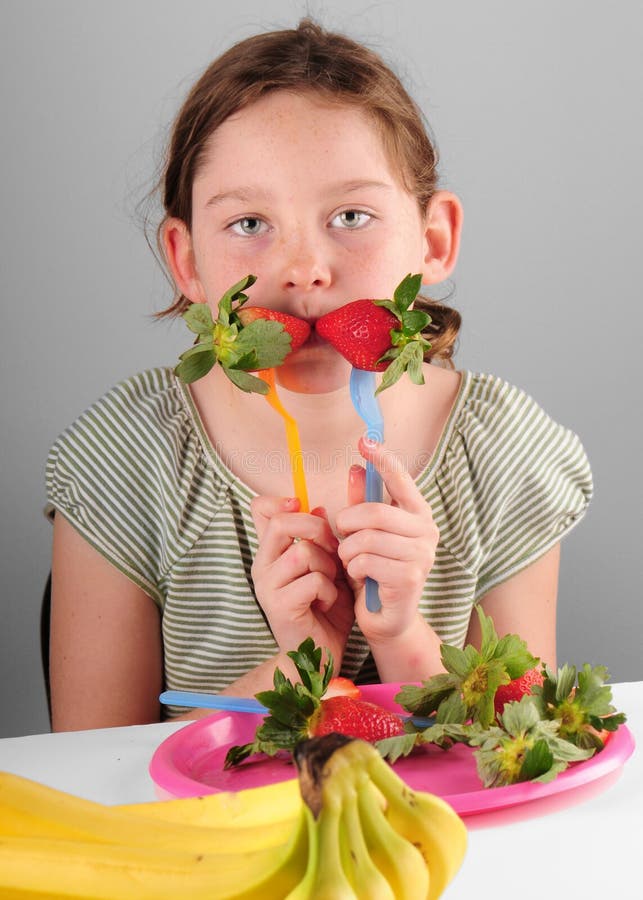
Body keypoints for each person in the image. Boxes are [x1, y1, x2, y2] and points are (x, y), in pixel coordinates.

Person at [45, 19, 592, 731]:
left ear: (433, 240)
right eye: (249, 224)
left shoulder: (508, 455)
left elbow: (523, 753)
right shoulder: (123, 459)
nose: (304, 269)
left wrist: (403, 637)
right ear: (186, 261)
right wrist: (298, 665)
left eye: (351, 216)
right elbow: (92, 770)